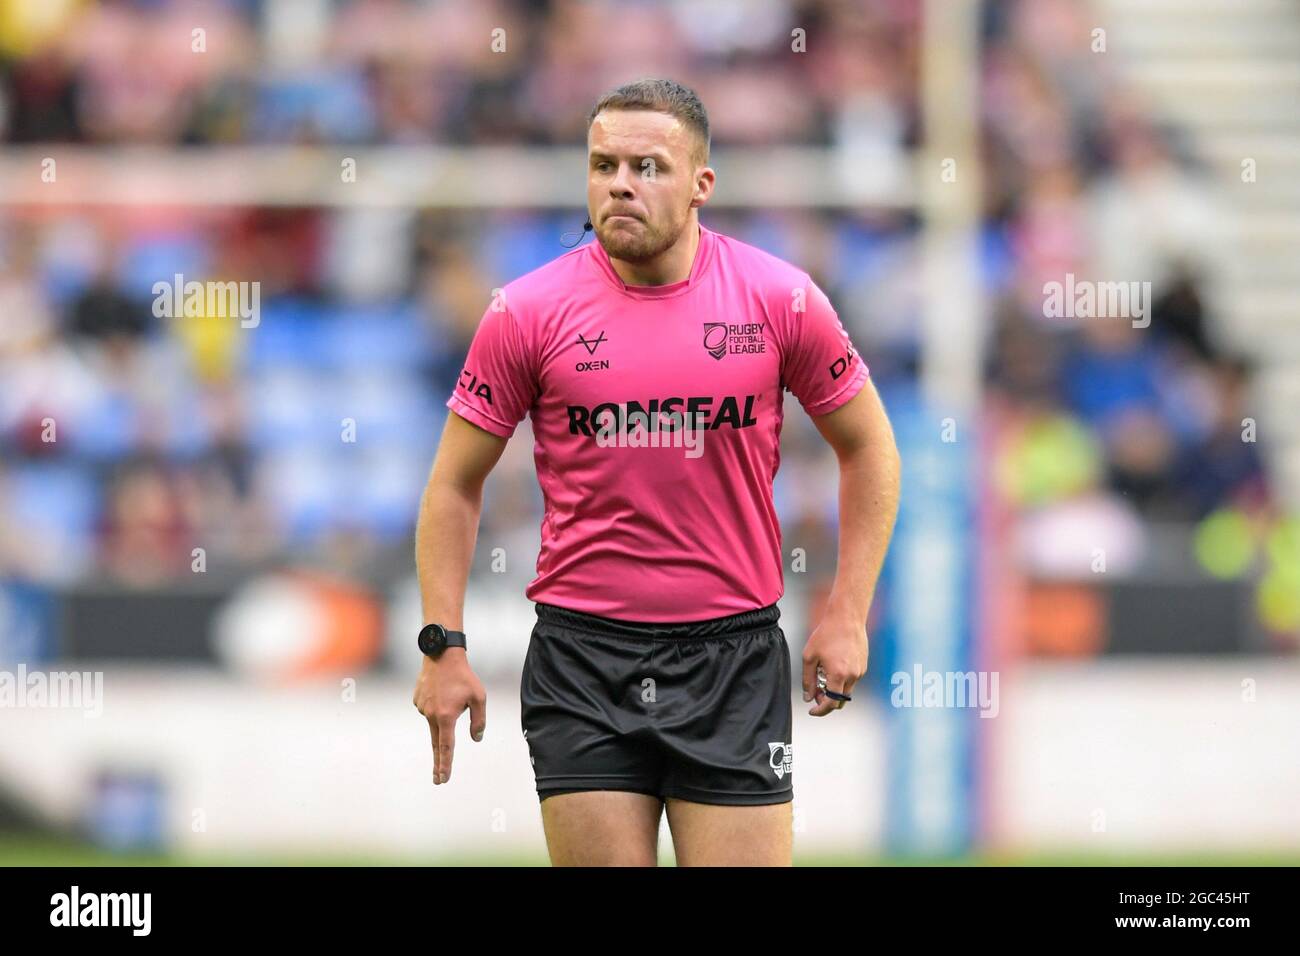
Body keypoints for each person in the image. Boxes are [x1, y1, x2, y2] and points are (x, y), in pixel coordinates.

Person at [412, 78, 900, 866]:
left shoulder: (780, 300)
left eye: (648, 167)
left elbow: (870, 446)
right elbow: (453, 484)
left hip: (732, 656)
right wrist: (444, 643)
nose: (621, 185)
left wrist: (848, 610)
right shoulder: (527, 313)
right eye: (604, 165)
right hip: (581, 659)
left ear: (703, 184)